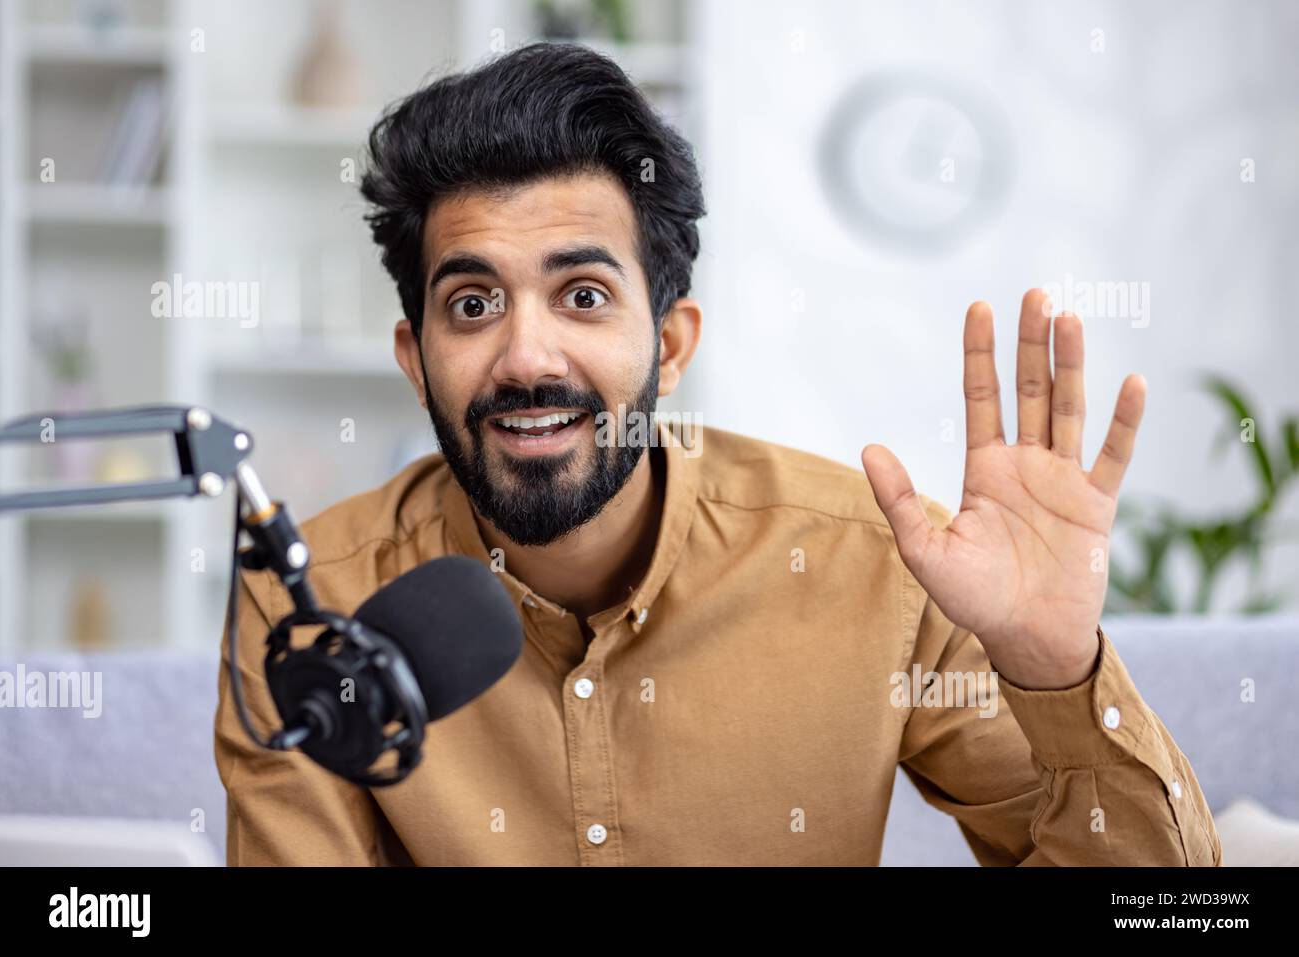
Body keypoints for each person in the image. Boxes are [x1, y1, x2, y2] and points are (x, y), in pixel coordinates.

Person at [215, 42, 1219, 866]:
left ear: (672, 343)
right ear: (414, 359)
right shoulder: (309, 606)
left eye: (583, 295)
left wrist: (1055, 672)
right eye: (471, 304)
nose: (524, 355)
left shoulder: (879, 566)